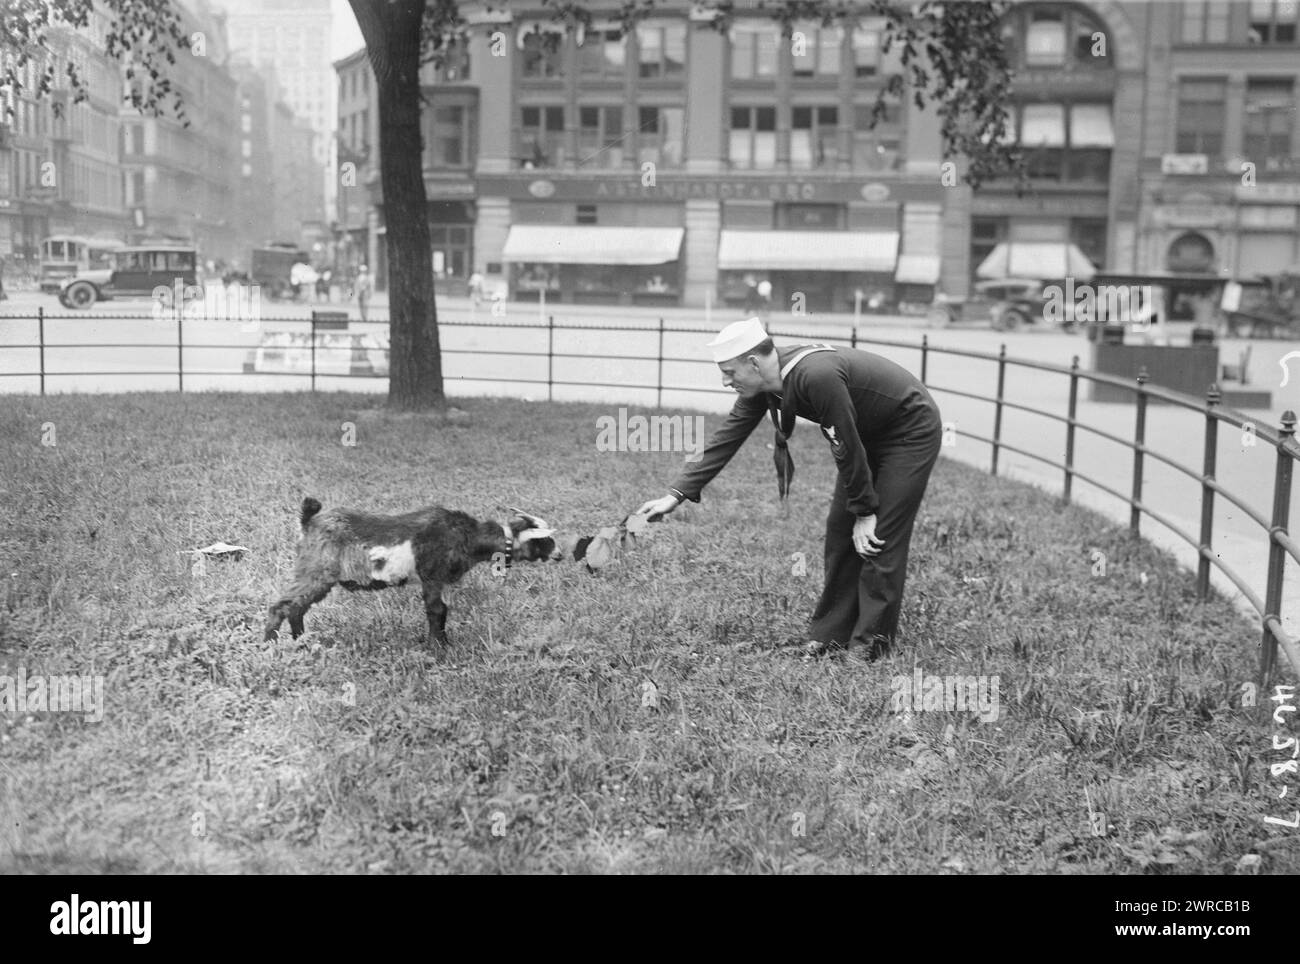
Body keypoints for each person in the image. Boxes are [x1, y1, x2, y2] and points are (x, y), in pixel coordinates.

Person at [637, 317, 944, 662]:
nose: (725, 382)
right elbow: (729, 436)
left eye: (729, 372)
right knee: (840, 531)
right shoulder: (765, 382)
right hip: (865, 433)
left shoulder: (815, 376)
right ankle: (830, 636)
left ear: (754, 362)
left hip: (908, 430)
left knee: (879, 536)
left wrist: (865, 511)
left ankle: (870, 646)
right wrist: (675, 495)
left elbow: (843, 442)